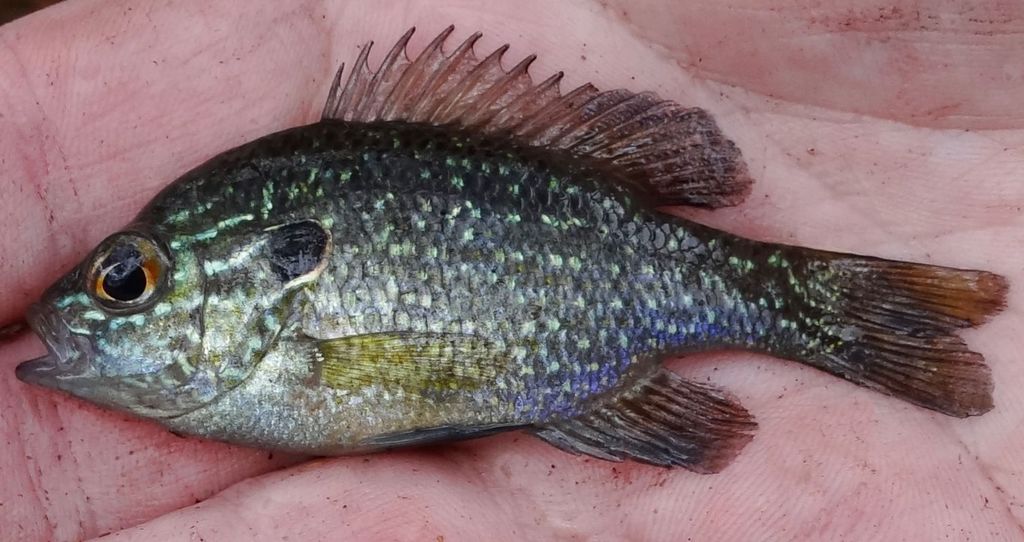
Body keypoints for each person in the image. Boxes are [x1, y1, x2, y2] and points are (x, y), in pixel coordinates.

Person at [1, 1, 1020, 540]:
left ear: (251, 272)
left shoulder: (282, 350)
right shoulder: (262, 349)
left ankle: (841, 312)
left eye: (125, 281)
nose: (88, 310)